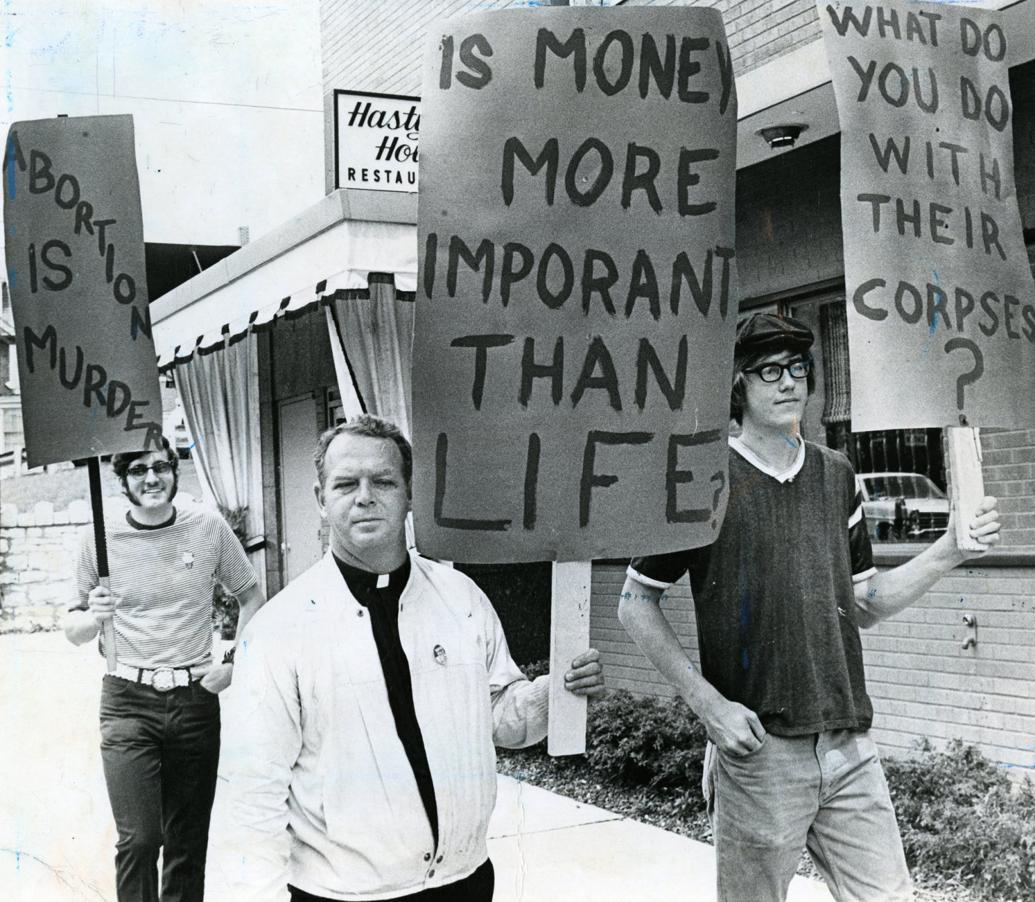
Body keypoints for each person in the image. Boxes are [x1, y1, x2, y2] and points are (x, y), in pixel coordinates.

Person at [618, 313, 1001, 902]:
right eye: (769, 370)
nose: (788, 382)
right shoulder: (703, 480)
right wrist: (711, 708)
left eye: (798, 368)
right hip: (761, 753)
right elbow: (635, 602)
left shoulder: (836, 473)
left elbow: (866, 601)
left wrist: (949, 550)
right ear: (737, 385)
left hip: (848, 744)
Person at [220, 415, 605, 901]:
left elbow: (502, 720)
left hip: (463, 882)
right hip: (345, 894)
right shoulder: (279, 630)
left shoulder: (461, 598)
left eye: (383, 481)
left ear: (409, 493)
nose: (364, 496)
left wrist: (558, 692)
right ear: (321, 499)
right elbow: (252, 796)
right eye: (345, 484)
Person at [64, 436, 266, 902]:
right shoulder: (99, 536)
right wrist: (93, 616)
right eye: (138, 470)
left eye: (161, 466)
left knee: (187, 842)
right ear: (123, 481)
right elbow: (72, 628)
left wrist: (234, 662)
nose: (152, 478)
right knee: (139, 839)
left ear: (176, 471)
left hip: (194, 698)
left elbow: (252, 596)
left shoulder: (207, 527)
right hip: (127, 698)